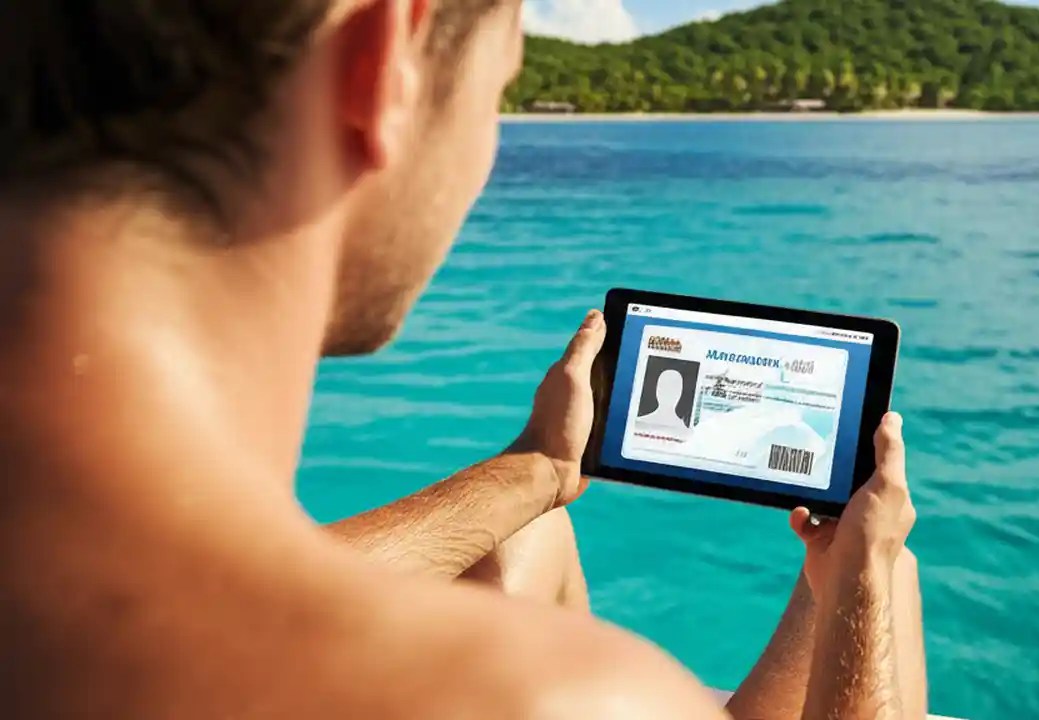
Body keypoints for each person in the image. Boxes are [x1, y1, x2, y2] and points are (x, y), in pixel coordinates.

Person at [0, 1, 926, 718]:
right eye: (500, 92)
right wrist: (861, 586)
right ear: (384, 64)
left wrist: (535, 471)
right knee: (882, 579)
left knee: (525, 532)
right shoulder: (552, 698)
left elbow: (224, 595)